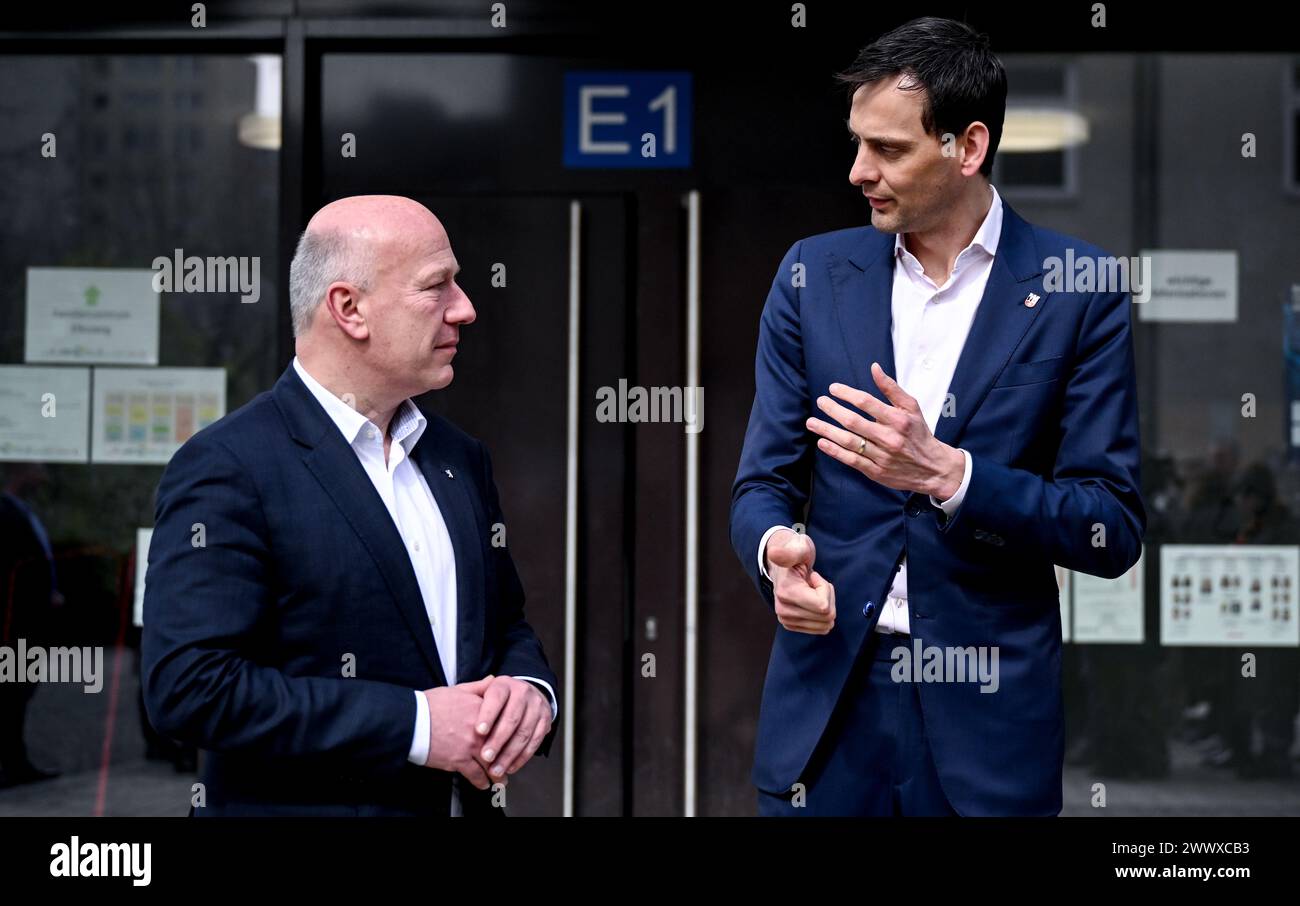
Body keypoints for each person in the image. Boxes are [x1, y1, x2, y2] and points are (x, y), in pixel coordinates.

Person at [730, 17, 1145, 816]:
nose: (858, 171)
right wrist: (776, 552)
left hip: (987, 727)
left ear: (968, 147)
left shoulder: (1078, 287)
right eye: (856, 143)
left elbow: (1111, 525)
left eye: (888, 150)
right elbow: (762, 484)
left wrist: (953, 476)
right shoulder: (811, 274)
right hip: (826, 711)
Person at [142, 195, 557, 816]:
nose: (465, 309)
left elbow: (504, 626)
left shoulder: (458, 457)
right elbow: (191, 689)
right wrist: (415, 725)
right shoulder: (229, 466)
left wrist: (530, 690)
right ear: (349, 309)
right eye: (436, 287)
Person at [0, 463, 63, 788]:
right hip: (14, 623)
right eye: (38, 468)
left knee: (18, 693)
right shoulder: (6, 513)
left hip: (28, 621)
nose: (44, 474)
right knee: (10, 693)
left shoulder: (24, 512)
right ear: (21, 472)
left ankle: (15, 761)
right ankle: (10, 763)